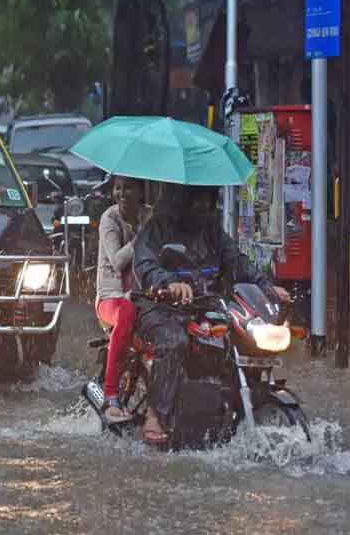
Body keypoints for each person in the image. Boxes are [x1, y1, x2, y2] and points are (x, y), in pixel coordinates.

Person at [132, 184, 291, 445]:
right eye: (197, 200)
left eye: (207, 200)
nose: (203, 206)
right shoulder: (156, 228)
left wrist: (267, 286)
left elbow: (238, 261)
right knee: (175, 342)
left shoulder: (212, 230)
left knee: (241, 337)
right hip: (159, 305)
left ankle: (234, 402)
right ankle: (156, 413)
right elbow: (145, 264)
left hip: (206, 303)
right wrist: (168, 283)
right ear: (182, 199)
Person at [95, 176, 148, 422]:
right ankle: (111, 394)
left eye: (129, 188)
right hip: (112, 297)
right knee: (126, 310)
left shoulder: (151, 216)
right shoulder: (110, 218)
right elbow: (117, 261)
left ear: (140, 191)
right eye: (118, 188)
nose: (122, 193)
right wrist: (142, 237)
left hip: (146, 293)